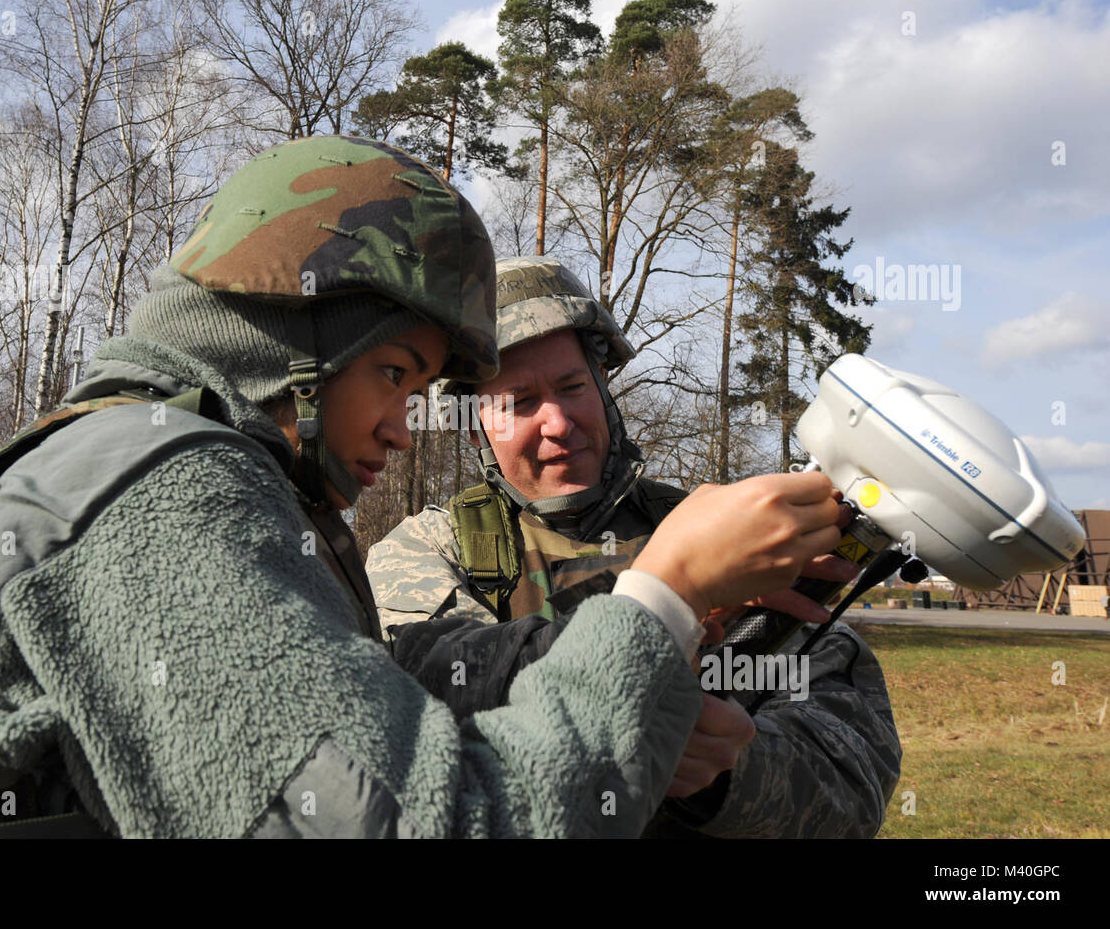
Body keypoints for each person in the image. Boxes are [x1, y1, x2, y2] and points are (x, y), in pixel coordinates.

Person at [0, 137, 847, 840]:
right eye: (396, 372)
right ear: (298, 340)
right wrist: (659, 594)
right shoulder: (157, 495)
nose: (405, 427)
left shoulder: (139, 463)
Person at [366, 256, 902, 838]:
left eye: (572, 387)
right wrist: (663, 612)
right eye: (519, 402)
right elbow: (403, 719)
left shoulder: (726, 532)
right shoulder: (427, 550)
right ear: (475, 429)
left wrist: (729, 772)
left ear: (602, 389)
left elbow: (856, 779)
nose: (557, 423)